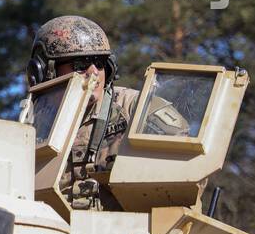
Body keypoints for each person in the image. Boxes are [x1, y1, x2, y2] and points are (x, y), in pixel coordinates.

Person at [27, 15, 186, 210]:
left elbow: (187, 170)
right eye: (80, 64)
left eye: (100, 62)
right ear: (46, 71)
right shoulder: (30, 129)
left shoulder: (137, 110)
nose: (93, 71)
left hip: (127, 232)